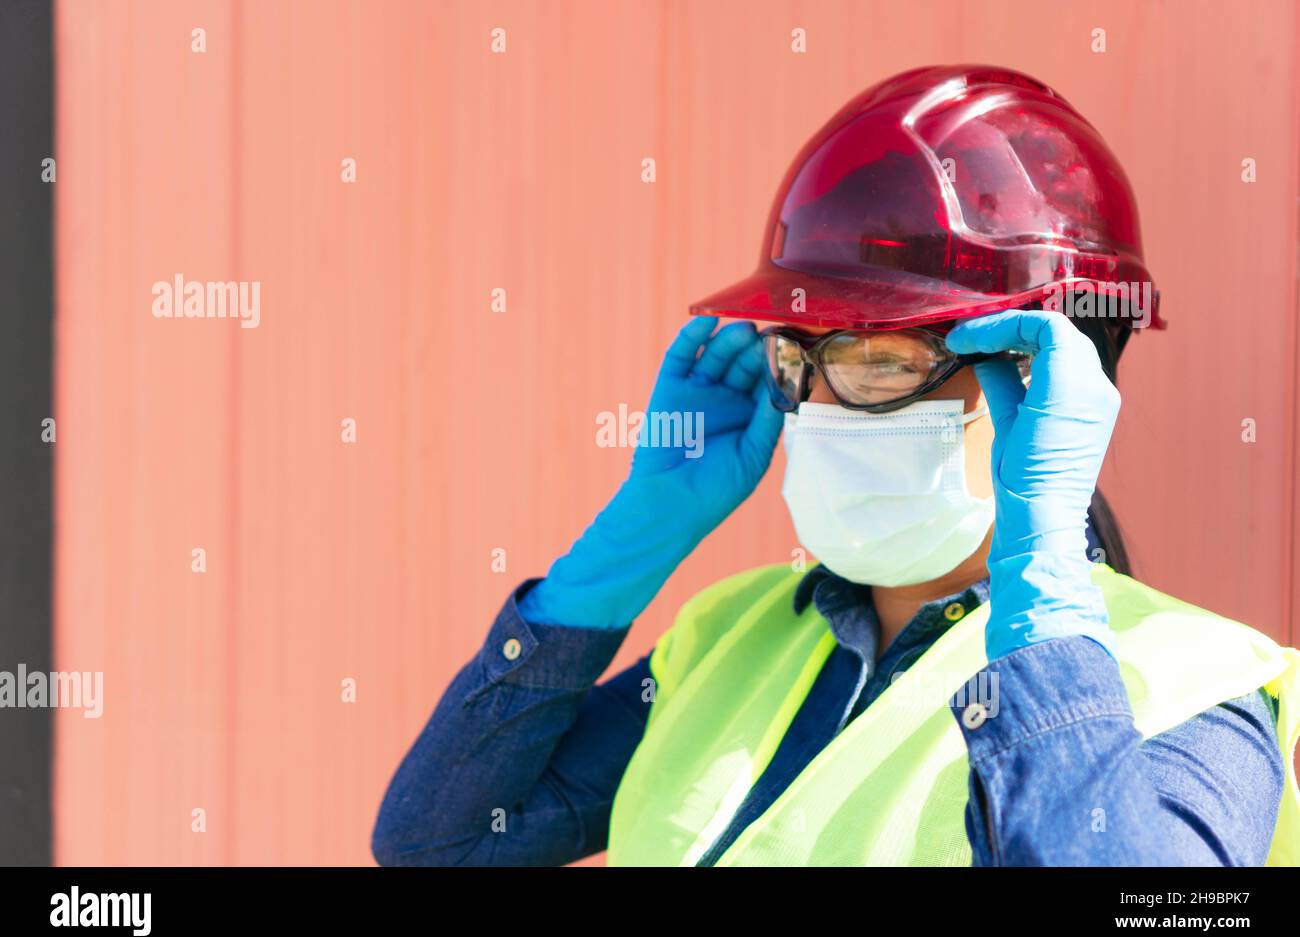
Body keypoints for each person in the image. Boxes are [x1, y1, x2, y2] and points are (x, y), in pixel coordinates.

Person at [372, 66, 1300, 866]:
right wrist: (632, 540)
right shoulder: (731, 643)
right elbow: (443, 842)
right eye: (801, 358)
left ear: (1041, 378)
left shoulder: (1192, 688)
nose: (815, 410)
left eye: (878, 360)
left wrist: (1047, 591)